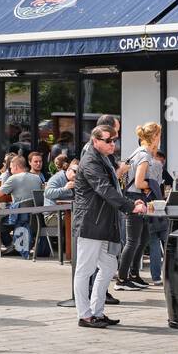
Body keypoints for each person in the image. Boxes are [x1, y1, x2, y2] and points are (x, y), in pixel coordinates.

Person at [73, 124, 145, 329]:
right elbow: (104, 189)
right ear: (95, 141)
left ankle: (96, 311)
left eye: (114, 140)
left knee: (108, 266)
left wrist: (130, 203)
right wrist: (131, 206)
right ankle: (85, 315)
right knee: (84, 270)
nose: (113, 144)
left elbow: (113, 188)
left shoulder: (105, 159)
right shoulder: (90, 161)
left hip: (104, 223)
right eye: (108, 140)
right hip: (90, 223)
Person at [121, 122, 166, 286]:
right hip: (136, 198)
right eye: (159, 136)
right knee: (133, 241)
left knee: (142, 238)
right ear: (154, 137)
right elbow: (139, 182)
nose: (160, 139)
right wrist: (152, 185)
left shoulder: (139, 152)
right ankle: (122, 278)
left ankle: (133, 274)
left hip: (136, 198)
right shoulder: (144, 155)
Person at [0, 154, 44, 256]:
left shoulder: (14, 178)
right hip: (34, 217)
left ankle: (11, 245)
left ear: (16, 167)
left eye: (11, 168)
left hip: (20, 216)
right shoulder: (37, 178)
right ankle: (15, 245)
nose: (10, 170)